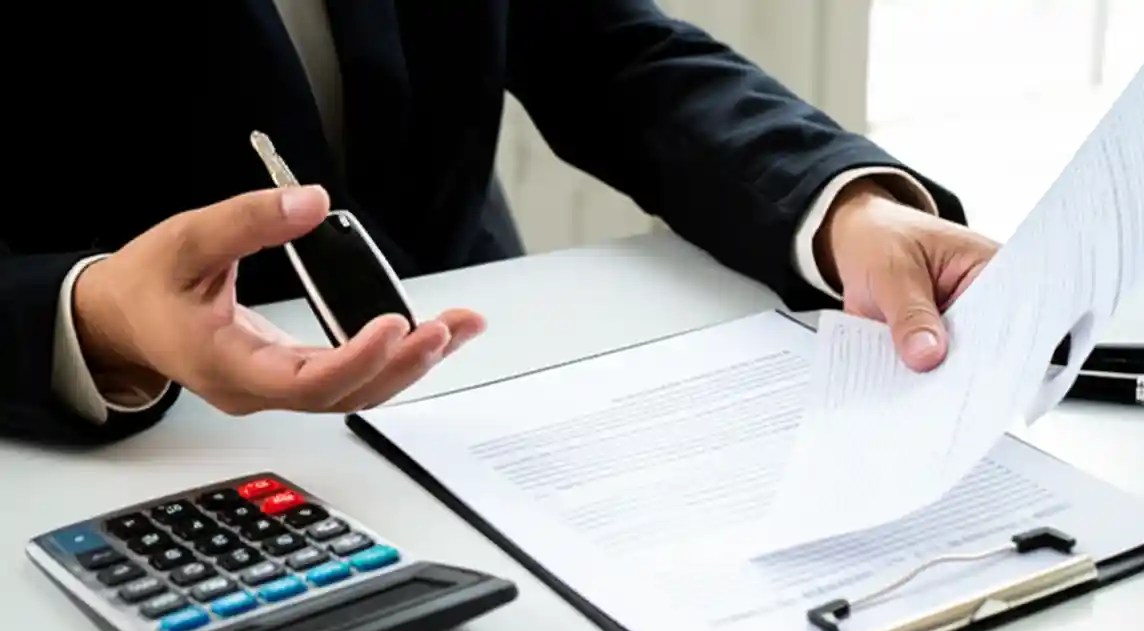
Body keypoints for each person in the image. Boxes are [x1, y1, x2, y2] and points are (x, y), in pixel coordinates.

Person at [0, 1, 996, 445]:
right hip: (144, 450)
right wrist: (99, 321)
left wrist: (842, 207)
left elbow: (609, 53)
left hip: (487, 383)